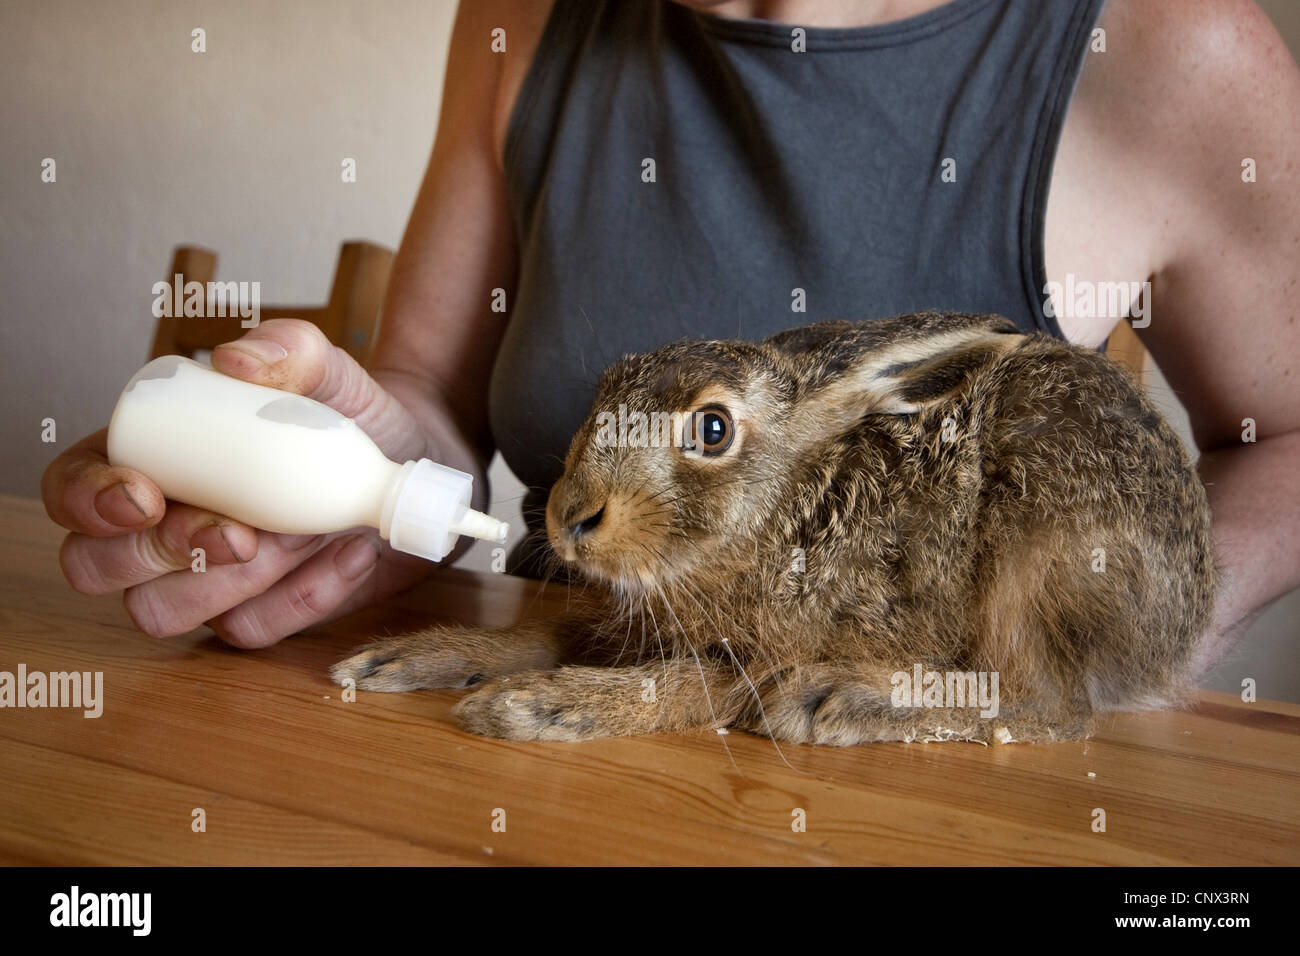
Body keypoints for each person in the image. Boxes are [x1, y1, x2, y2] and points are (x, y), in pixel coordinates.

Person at [42, 0, 1300, 685]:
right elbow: (430, 401)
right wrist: (359, 484)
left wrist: (1100, 644)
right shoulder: (522, 17)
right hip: (566, 721)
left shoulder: (1168, 45)